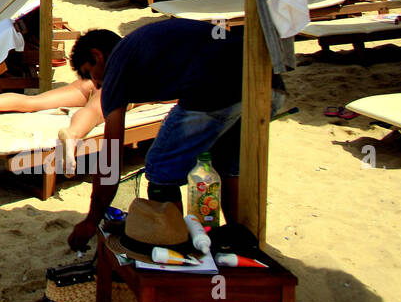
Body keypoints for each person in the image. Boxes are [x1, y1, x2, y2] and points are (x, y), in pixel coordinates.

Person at [65, 20, 285, 253]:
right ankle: (243, 244)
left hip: (220, 85)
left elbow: (111, 158)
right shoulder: (141, 46)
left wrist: (91, 220)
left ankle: (175, 247)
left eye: (90, 74)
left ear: (97, 55)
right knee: (227, 166)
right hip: (267, 83)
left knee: (161, 168)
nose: (98, 84)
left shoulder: (117, 63)